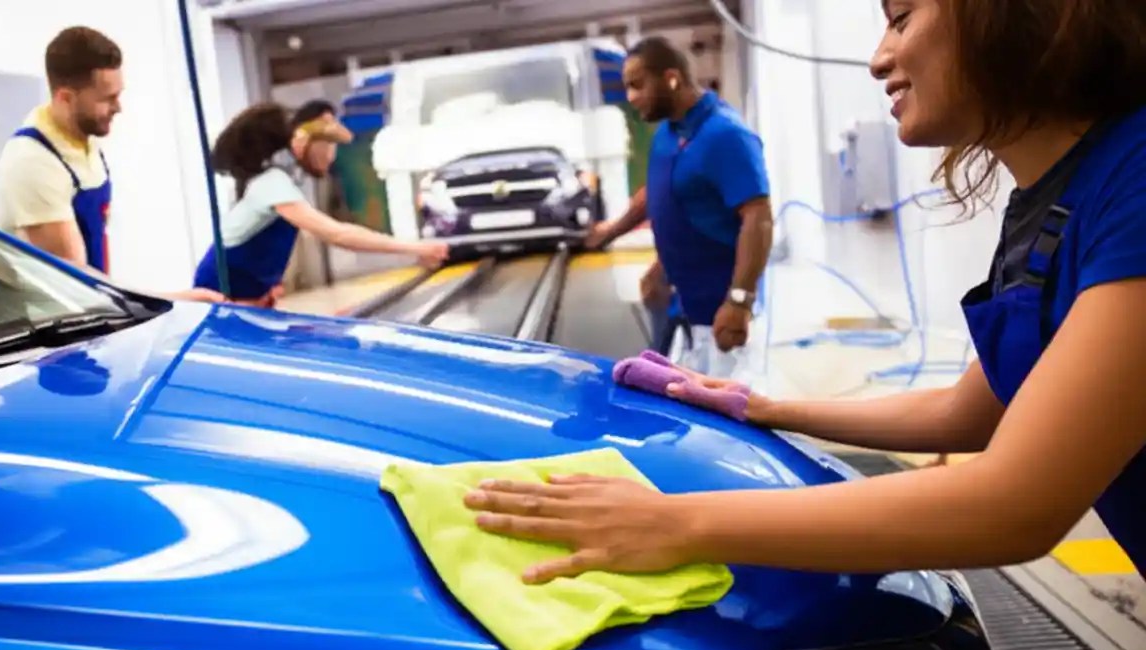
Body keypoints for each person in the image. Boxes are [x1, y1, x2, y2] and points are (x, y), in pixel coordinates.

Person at [465, 0, 1146, 583]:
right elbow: (968, 411)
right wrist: (763, 406)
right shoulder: (1050, 204)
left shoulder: (1134, 183)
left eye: (902, 19)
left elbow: (1013, 506)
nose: (878, 59)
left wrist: (673, 523)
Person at [587, 37, 774, 381]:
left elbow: (758, 217)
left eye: (637, 85)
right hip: (684, 310)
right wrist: (617, 238)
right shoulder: (668, 133)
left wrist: (739, 302)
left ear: (671, 78)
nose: (631, 97)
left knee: (726, 408)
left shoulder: (725, 135)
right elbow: (662, 194)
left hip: (721, 316)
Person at [0, 26, 221, 302]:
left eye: (118, 95)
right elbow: (76, 286)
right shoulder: (34, 161)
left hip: (89, 304)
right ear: (66, 98)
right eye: (108, 99)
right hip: (47, 315)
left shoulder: (84, 139)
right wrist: (177, 300)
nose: (119, 108)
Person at [193, 101, 449, 306]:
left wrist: (268, 284)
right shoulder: (272, 183)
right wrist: (416, 248)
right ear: (302, 143)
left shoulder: (275, 182)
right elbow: (338, 234)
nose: (331, 154)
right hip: (218, 299)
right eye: (326, 143)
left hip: (246, 298)